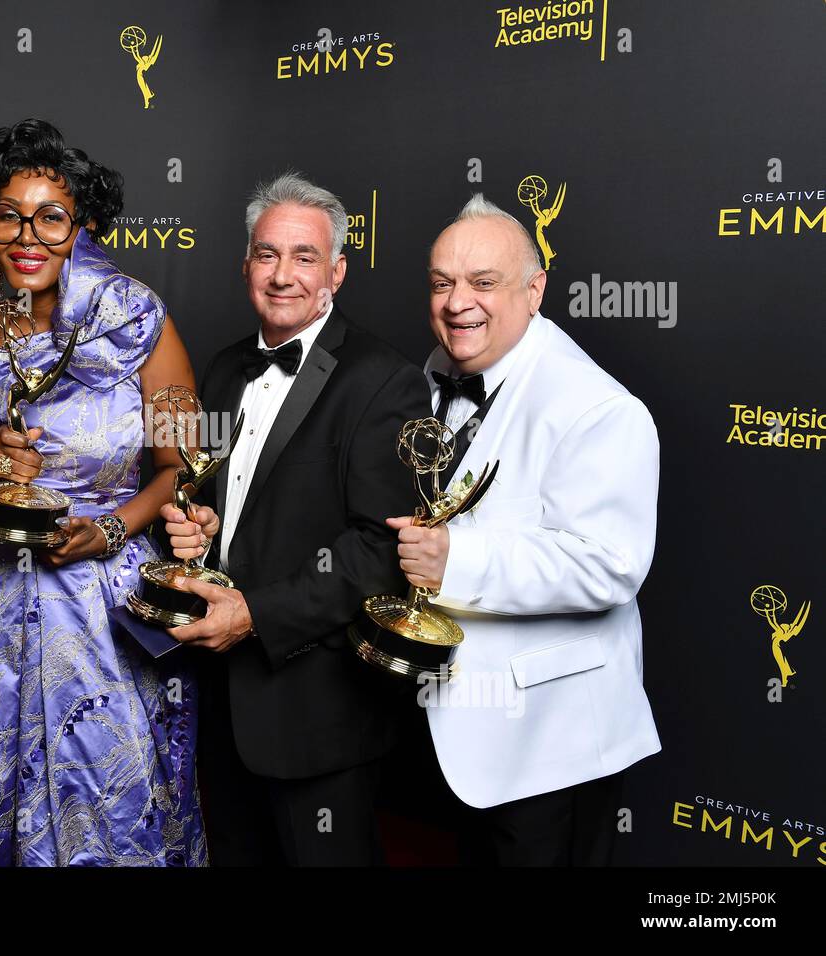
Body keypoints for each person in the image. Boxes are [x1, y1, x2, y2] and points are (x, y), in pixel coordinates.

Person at [0, 119, 204, 866]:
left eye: (52, 215)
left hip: (97, 599)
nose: (28, 234)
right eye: (9, 213)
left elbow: (181, 466)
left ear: (84, 227)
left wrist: (112, 529)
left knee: (105, 797)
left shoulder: (141, 329)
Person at [160, 172, 431, 865]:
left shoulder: (383, 380)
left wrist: (252, 613)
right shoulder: (222, 372)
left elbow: (378, 551)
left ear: (336, 271)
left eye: (304, 257)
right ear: (245, 264)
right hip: (222, 709)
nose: (283, 276)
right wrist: (197, 528)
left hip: (320, 719)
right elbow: (226, 509)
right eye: (266, 254)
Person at [386, 194, 661, 865]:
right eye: (442, 282)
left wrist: (457, 562)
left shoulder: (599, 406)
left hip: (548, 745)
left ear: (534, 290)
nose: (458, 303)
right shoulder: (431, 372)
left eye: (484, 283)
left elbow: (610, 564)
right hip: (449, 729)